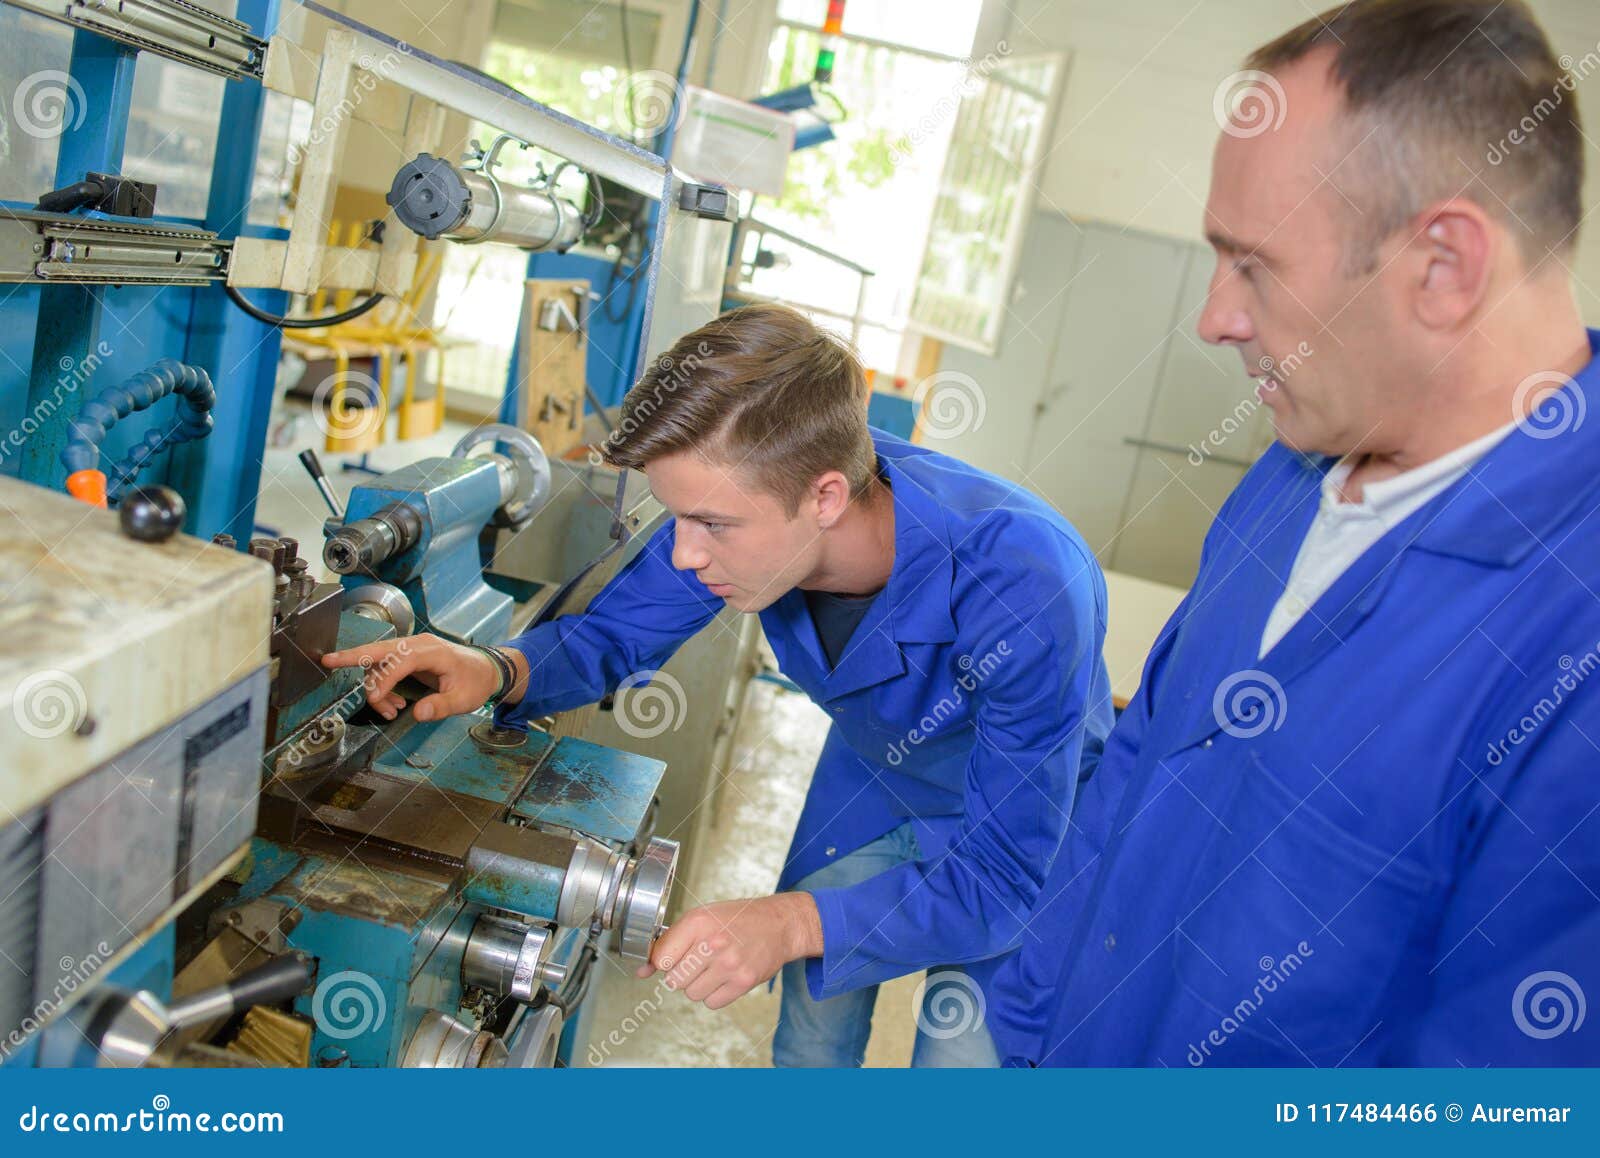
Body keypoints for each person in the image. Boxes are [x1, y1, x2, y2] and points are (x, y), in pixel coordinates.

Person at [987, 0, 1600, 1067]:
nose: (1214, 317)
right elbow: (1140, 764)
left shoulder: (1568, 645)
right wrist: (1030, 1035)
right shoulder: (1292, 472)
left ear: (1444, 265)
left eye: (1252, 264)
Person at [324, 302, 1114, 1066]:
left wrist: (793, 922)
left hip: (1032, 817)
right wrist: (495, 667)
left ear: (827, 497)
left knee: (962, 1062)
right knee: (811, 1040)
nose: (686, 556)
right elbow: (614, 629)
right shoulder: (764, 490)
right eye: (681, 519)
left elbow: (1002, 876)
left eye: (711, 527)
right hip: (878, 778)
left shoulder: (1028, 584)